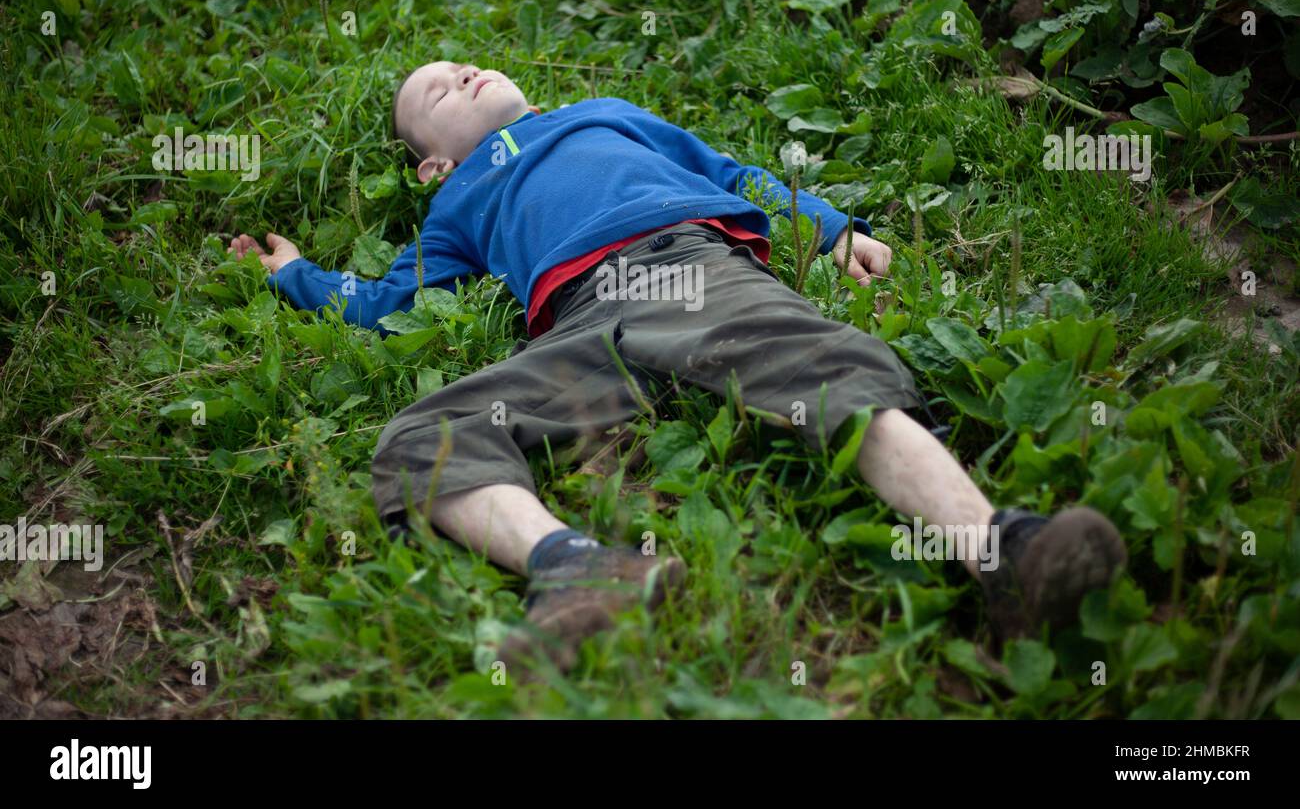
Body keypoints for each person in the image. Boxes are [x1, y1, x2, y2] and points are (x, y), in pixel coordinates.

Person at [228, 60, 1126, 678]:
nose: (461, 73)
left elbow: (730, 170)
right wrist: (294, 276)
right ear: (434, 162)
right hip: (577, 331)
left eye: (465, 64)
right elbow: (394, 306)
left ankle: (999, 547)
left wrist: (829, 224)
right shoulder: (461, 197)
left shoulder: (601, 116)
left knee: (830, 370)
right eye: (436, 90)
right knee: (425, 434)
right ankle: (575, 567)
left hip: (688, 270)